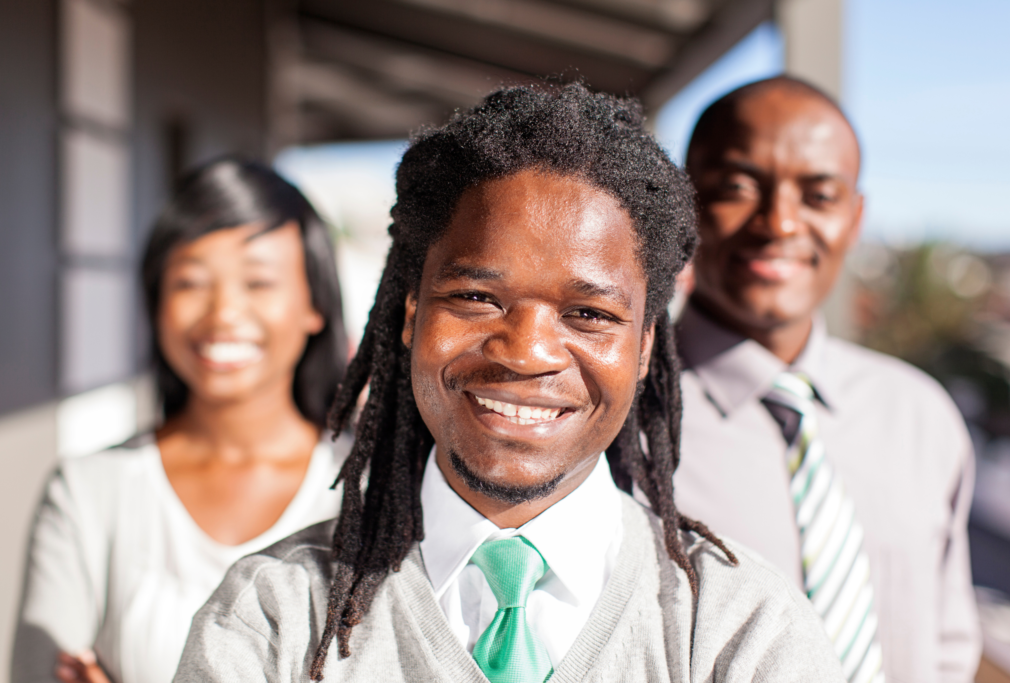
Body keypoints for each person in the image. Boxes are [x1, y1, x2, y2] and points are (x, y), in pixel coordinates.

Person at [172, 84, 845, 683]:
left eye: (588, 313)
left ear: (643, 348)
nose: (525, 353)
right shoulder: (275, 616)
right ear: (412, 313)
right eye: (476, 297)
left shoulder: (741, 631)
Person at [673, 76, 981, 683]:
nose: (780, 223)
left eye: (818, 195)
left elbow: (948, 641)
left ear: (855, 217)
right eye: (737, 187)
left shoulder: (918, 414)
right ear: (683, 204)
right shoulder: (618, 420)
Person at [12, 159, 351, 683]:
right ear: (156, 302)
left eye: (258, 282)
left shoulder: (375, 488)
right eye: (190, 282)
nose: (222, 314)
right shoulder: (90, 491)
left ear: (315, 304)